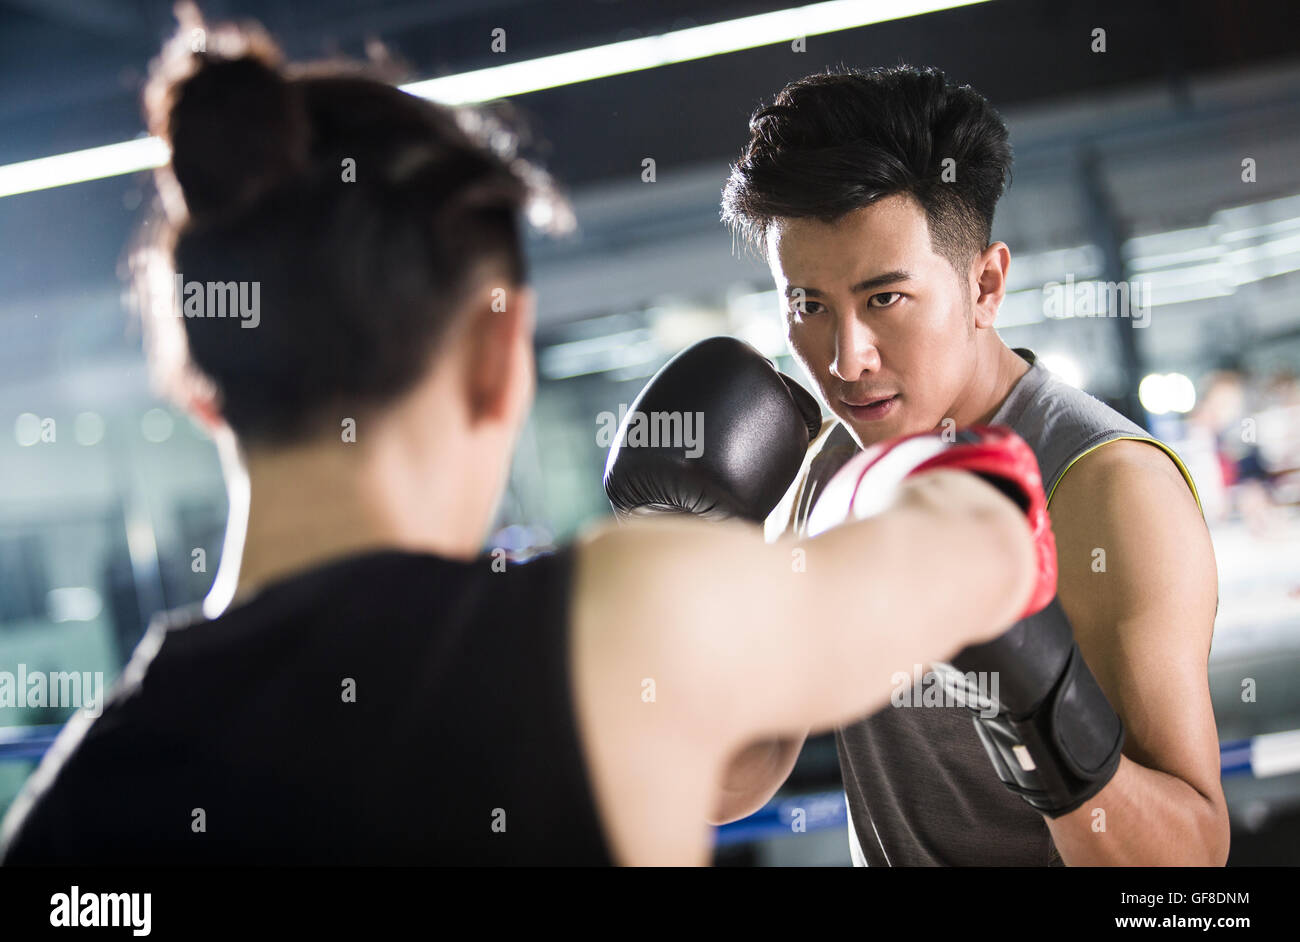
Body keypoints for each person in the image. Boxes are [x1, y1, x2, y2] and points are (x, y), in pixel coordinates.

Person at [0, 16, 1045, 866]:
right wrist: (912, 473)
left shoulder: (68, 814)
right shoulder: (602, 629)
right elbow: (986, 524)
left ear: (199, 387)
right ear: (498, 349)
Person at [716, 66, 1228, 865]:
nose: (846, 359)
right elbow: (733, 785)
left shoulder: (1105, 489)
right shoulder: (822, 470)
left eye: (884, 299)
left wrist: (1039, 714)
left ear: (985, 284)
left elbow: (1189, 868)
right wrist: (688, 554)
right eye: (808, 305)